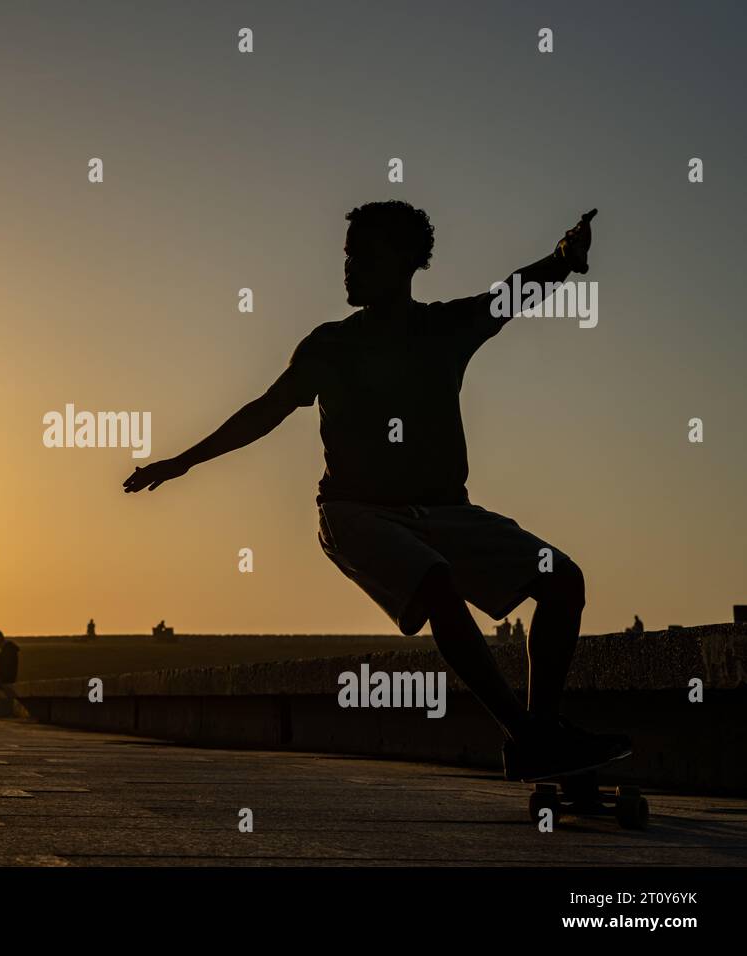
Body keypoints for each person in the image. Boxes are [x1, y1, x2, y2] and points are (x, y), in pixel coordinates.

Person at [124, 202, 629, 783]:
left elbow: (510, 296)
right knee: (436, 582)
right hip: (355, 514)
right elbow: (265, 411)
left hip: (444, 510)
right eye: (346, 255)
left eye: (362, 255)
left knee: (563, 580)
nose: (348, 267)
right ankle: (530, 735)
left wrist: (564, 261)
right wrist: (184, 461)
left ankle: (541, 738)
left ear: (407, 262)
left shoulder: (444, 328)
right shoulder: (330, 346)